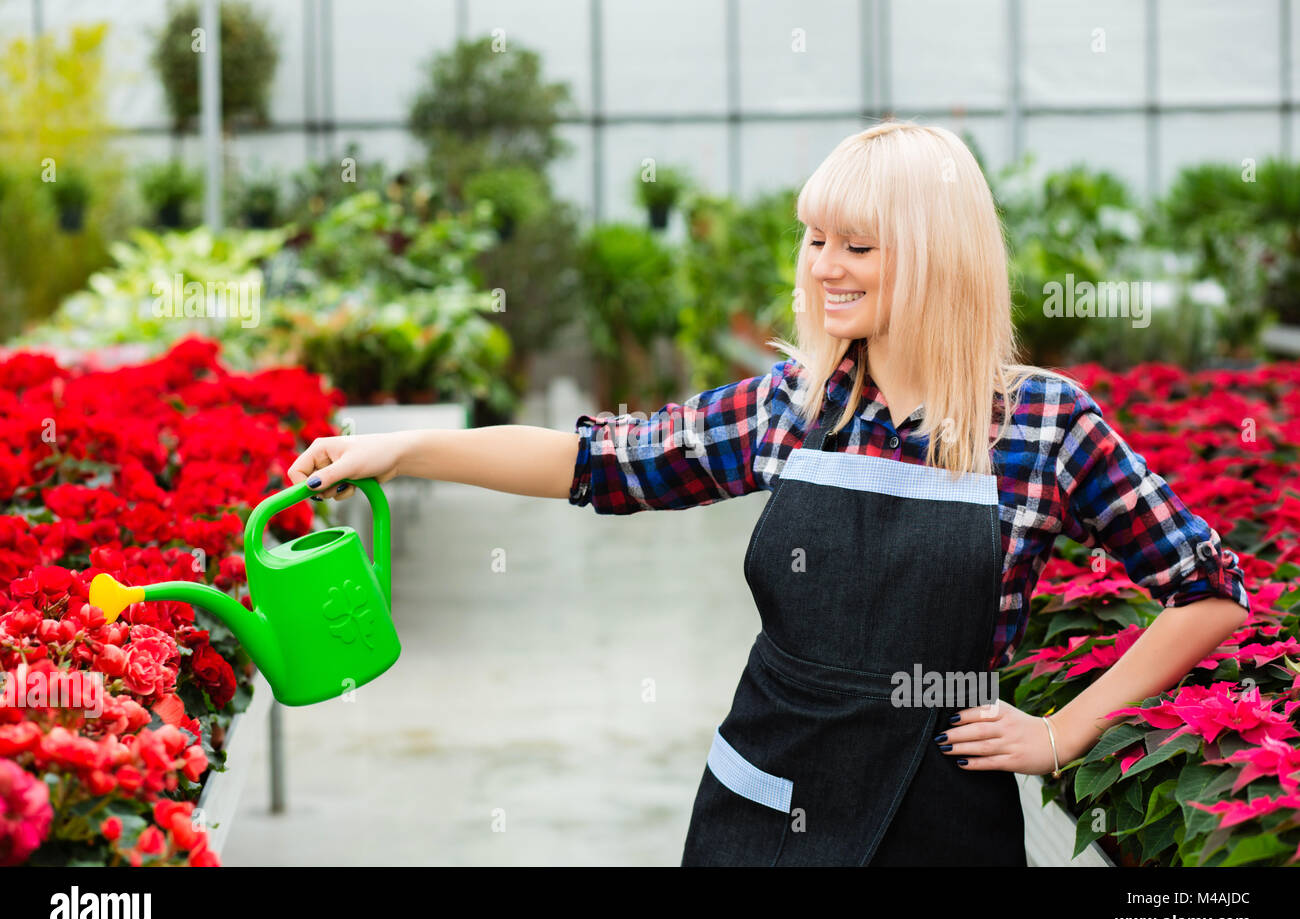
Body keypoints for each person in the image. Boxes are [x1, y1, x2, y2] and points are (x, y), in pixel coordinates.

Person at [286, 121, 1251, 866]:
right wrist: (405, 450)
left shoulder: (1043, 425)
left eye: (857, 247)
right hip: (763, 801)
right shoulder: (794, 408)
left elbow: (1206, 589)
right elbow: (595, 461)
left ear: (935, 254)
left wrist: (1062, 729)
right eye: (816, 238)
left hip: (940, 813)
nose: (824, 266)